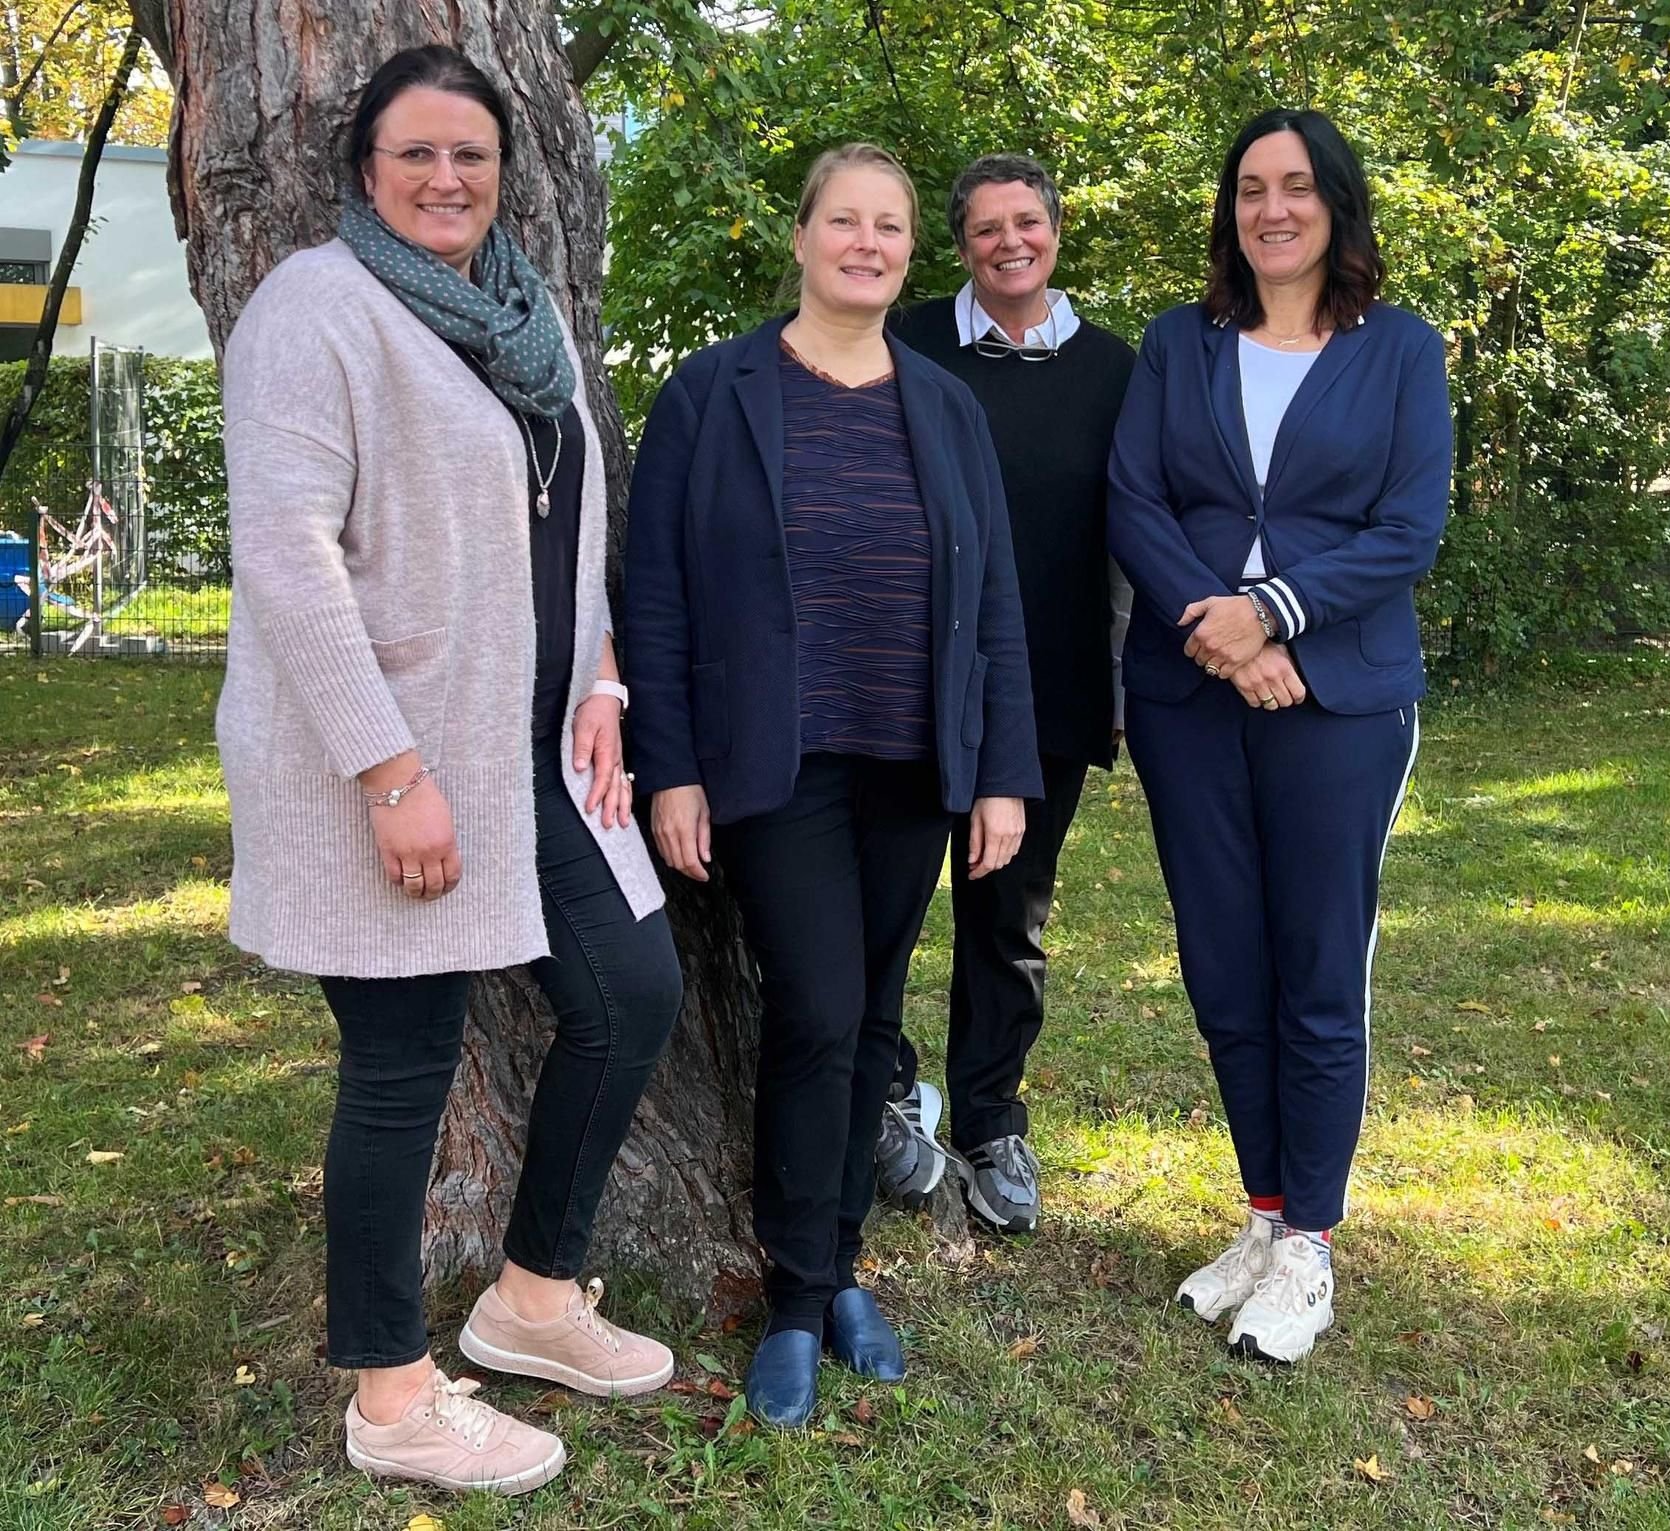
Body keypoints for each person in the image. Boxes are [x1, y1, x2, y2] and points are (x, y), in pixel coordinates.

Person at [216, 46, 684, 1495]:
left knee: (632, 991)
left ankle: (533, 1298)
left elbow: (569, 525)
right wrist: (387, 766)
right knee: (402, 1065)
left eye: (470, 155)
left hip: (531, 741)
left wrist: (601, 671)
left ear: (504, 167)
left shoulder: (523, 316)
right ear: (366, 168)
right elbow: (289, 558)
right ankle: (391, 1390)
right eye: (416, 153)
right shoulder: (317, 310)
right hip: (393, 756)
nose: (445, 178)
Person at [624, 143, 1040, 1429]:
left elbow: (995, 608)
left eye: (892, 228)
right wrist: (672, 770)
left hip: (912, 762)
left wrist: (1003, 775)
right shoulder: (714, 394)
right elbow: (656, 596)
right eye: (844, 222)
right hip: (774, 765)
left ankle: (843, 1270)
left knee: (869, 1020)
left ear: (911, 251)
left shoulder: (944, 406)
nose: (868, 243)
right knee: (813, 1008)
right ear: (801, 238)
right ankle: (798, 1298)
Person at [1107, 107, 1451, 1364]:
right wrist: (1222, 637)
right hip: (1190, 699)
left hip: (1339, 697)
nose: (1271, 209)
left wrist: (1271, 618)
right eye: (1250, 188)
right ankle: (1258, 1214)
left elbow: (1406, 529)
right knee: (1221, 966)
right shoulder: (1177, 345)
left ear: (1334, 205)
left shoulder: (1400, 351)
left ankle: (1309, 1241)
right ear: (1228, 211)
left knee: (1314, 970)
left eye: (1295, 187)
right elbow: (1132, 499)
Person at [881, 154, 1136, 1233]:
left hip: (1048, 690)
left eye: (1024, 222)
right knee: (878, 907)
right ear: (961, 246)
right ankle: (888, 1093)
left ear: (1056, 230)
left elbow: (1141, 533)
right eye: (984, 229)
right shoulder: (906, 349)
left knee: (1007, 922)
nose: (1008, 243)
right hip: (904, 684)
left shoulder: (1120, 371)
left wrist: (1125, 683)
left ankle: (990, 1119)